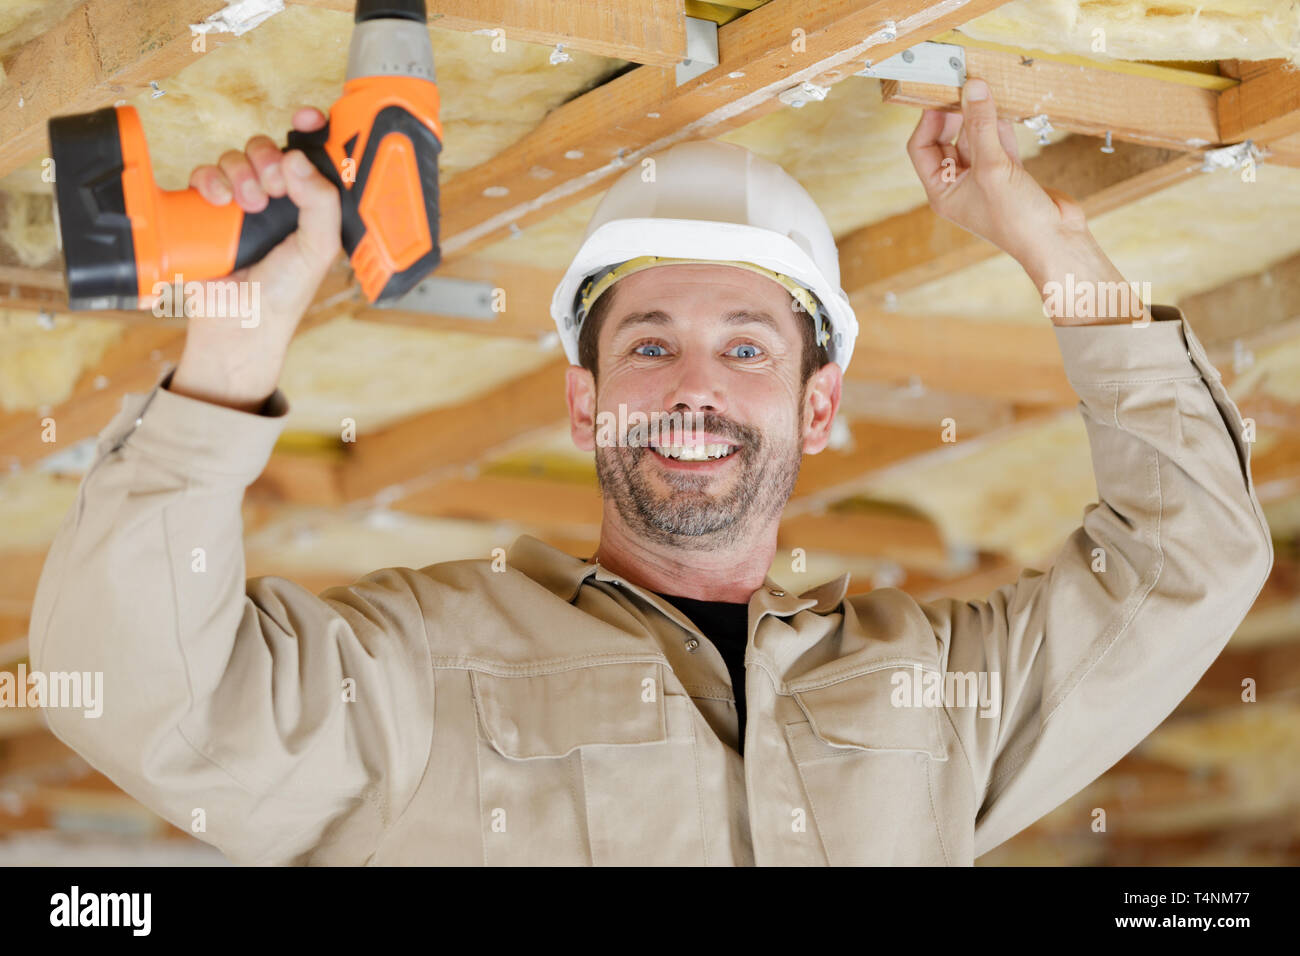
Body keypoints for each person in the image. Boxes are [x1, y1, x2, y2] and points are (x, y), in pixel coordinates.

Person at [30, 80, 1272, 865]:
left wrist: (1054, 244)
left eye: (745, 347)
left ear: (817, 404)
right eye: (649, 344)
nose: (694, 387)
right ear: (585, 402)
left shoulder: (936, 697)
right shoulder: (419, 669)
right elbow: (148, 697)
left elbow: (1191, 558)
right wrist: (236, 343)